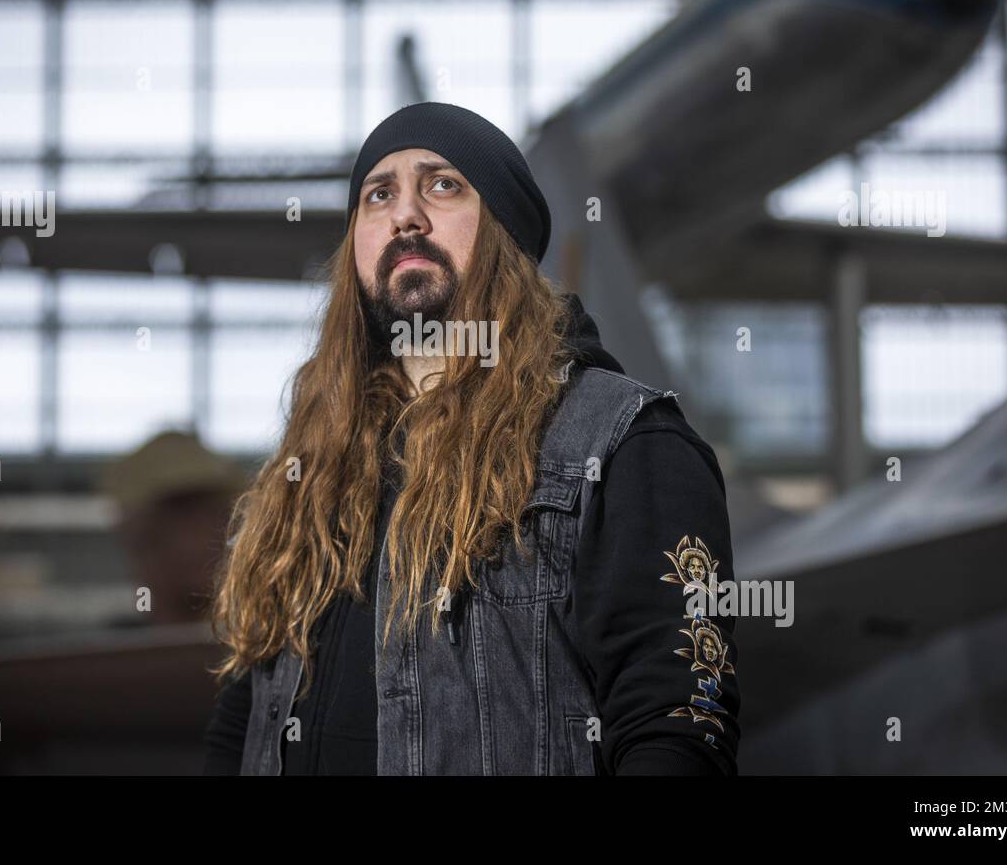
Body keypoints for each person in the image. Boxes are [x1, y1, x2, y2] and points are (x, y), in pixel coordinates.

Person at [204, 101, 739, 775]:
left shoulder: (625, 443)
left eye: (443, 184)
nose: (406, 215)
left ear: (503, 233)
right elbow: (242, 721)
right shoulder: (312, 465)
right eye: (379, 194)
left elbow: (679, 725)